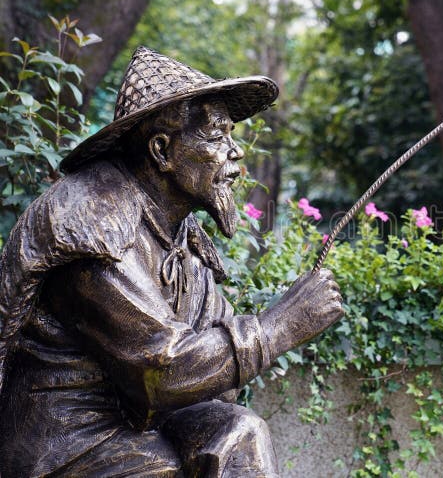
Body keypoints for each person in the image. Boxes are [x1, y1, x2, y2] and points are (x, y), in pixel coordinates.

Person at [0, 46, 344, 477]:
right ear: (162, 150)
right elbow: (162, 373)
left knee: (239, 431)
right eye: (217, 135)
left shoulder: (182, 236)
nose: (236, 153)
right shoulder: (91, 220)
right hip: (68, 450)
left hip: (137, 432)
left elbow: (212, 382)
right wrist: (279, 325)